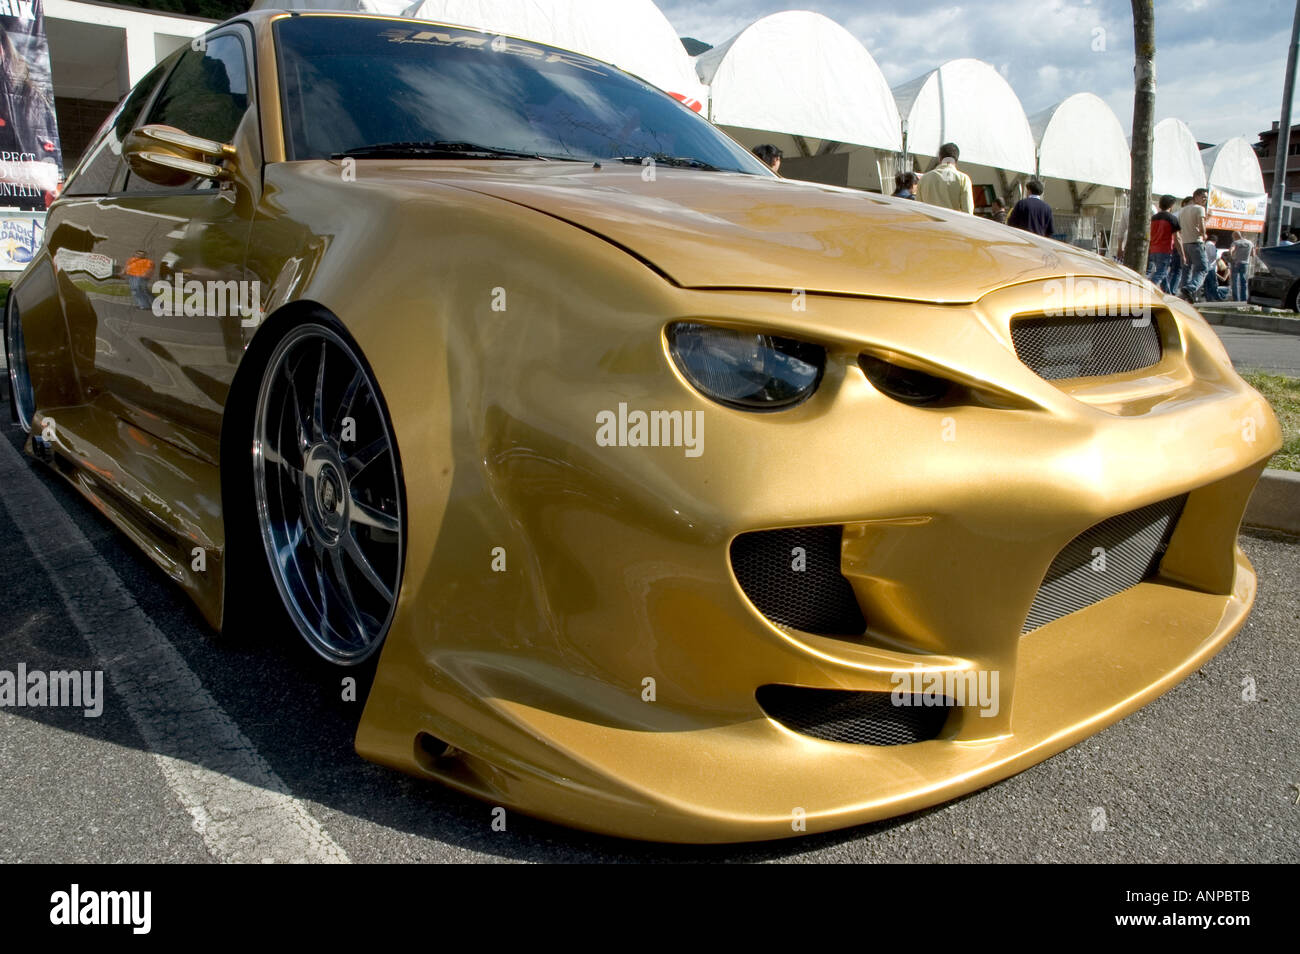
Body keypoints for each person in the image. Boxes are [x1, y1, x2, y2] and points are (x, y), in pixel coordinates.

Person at [918, 142, 974, 213]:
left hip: (929, 222)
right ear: (957, 159)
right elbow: (968, 210)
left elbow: (918, 207)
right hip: (952, 222)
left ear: (940, 158)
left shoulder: (924, 178)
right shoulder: (963, 179)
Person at [1147, 194, 1185, 293]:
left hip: (1153, 248)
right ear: (1171, 205)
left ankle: (1167, 293)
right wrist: (1182, 254)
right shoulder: (1172, 218)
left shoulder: (1153, 218)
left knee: (1163, 274)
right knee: (1161, 272)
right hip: (1164, 249)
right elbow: (1177, 238)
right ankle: (1147, 289)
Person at [1178, 188, 1209, 302]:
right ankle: (1190, 289)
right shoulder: (1200, 209)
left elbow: (1180, 228)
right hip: (1196, 242)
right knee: (1203, 269)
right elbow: (1201, 226)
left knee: (1186, 270)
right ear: (1195, 197)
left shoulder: (1182, 210)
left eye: (1206, 197)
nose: (1205, 199)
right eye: (1203, 196)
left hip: (1185, 242)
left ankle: (1183, 295)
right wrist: (1204, 234)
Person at [1229, 231, 1255, 301]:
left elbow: (1231, 250)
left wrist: (1231, 257)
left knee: (1234, 282)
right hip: (1245, 263)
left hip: (1236, 263)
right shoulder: (1250, 243)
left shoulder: (1235, 243)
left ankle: (1236, 299)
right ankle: (1243, 298)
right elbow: (1253, 254)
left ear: (1235, 236)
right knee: (1243, 281)